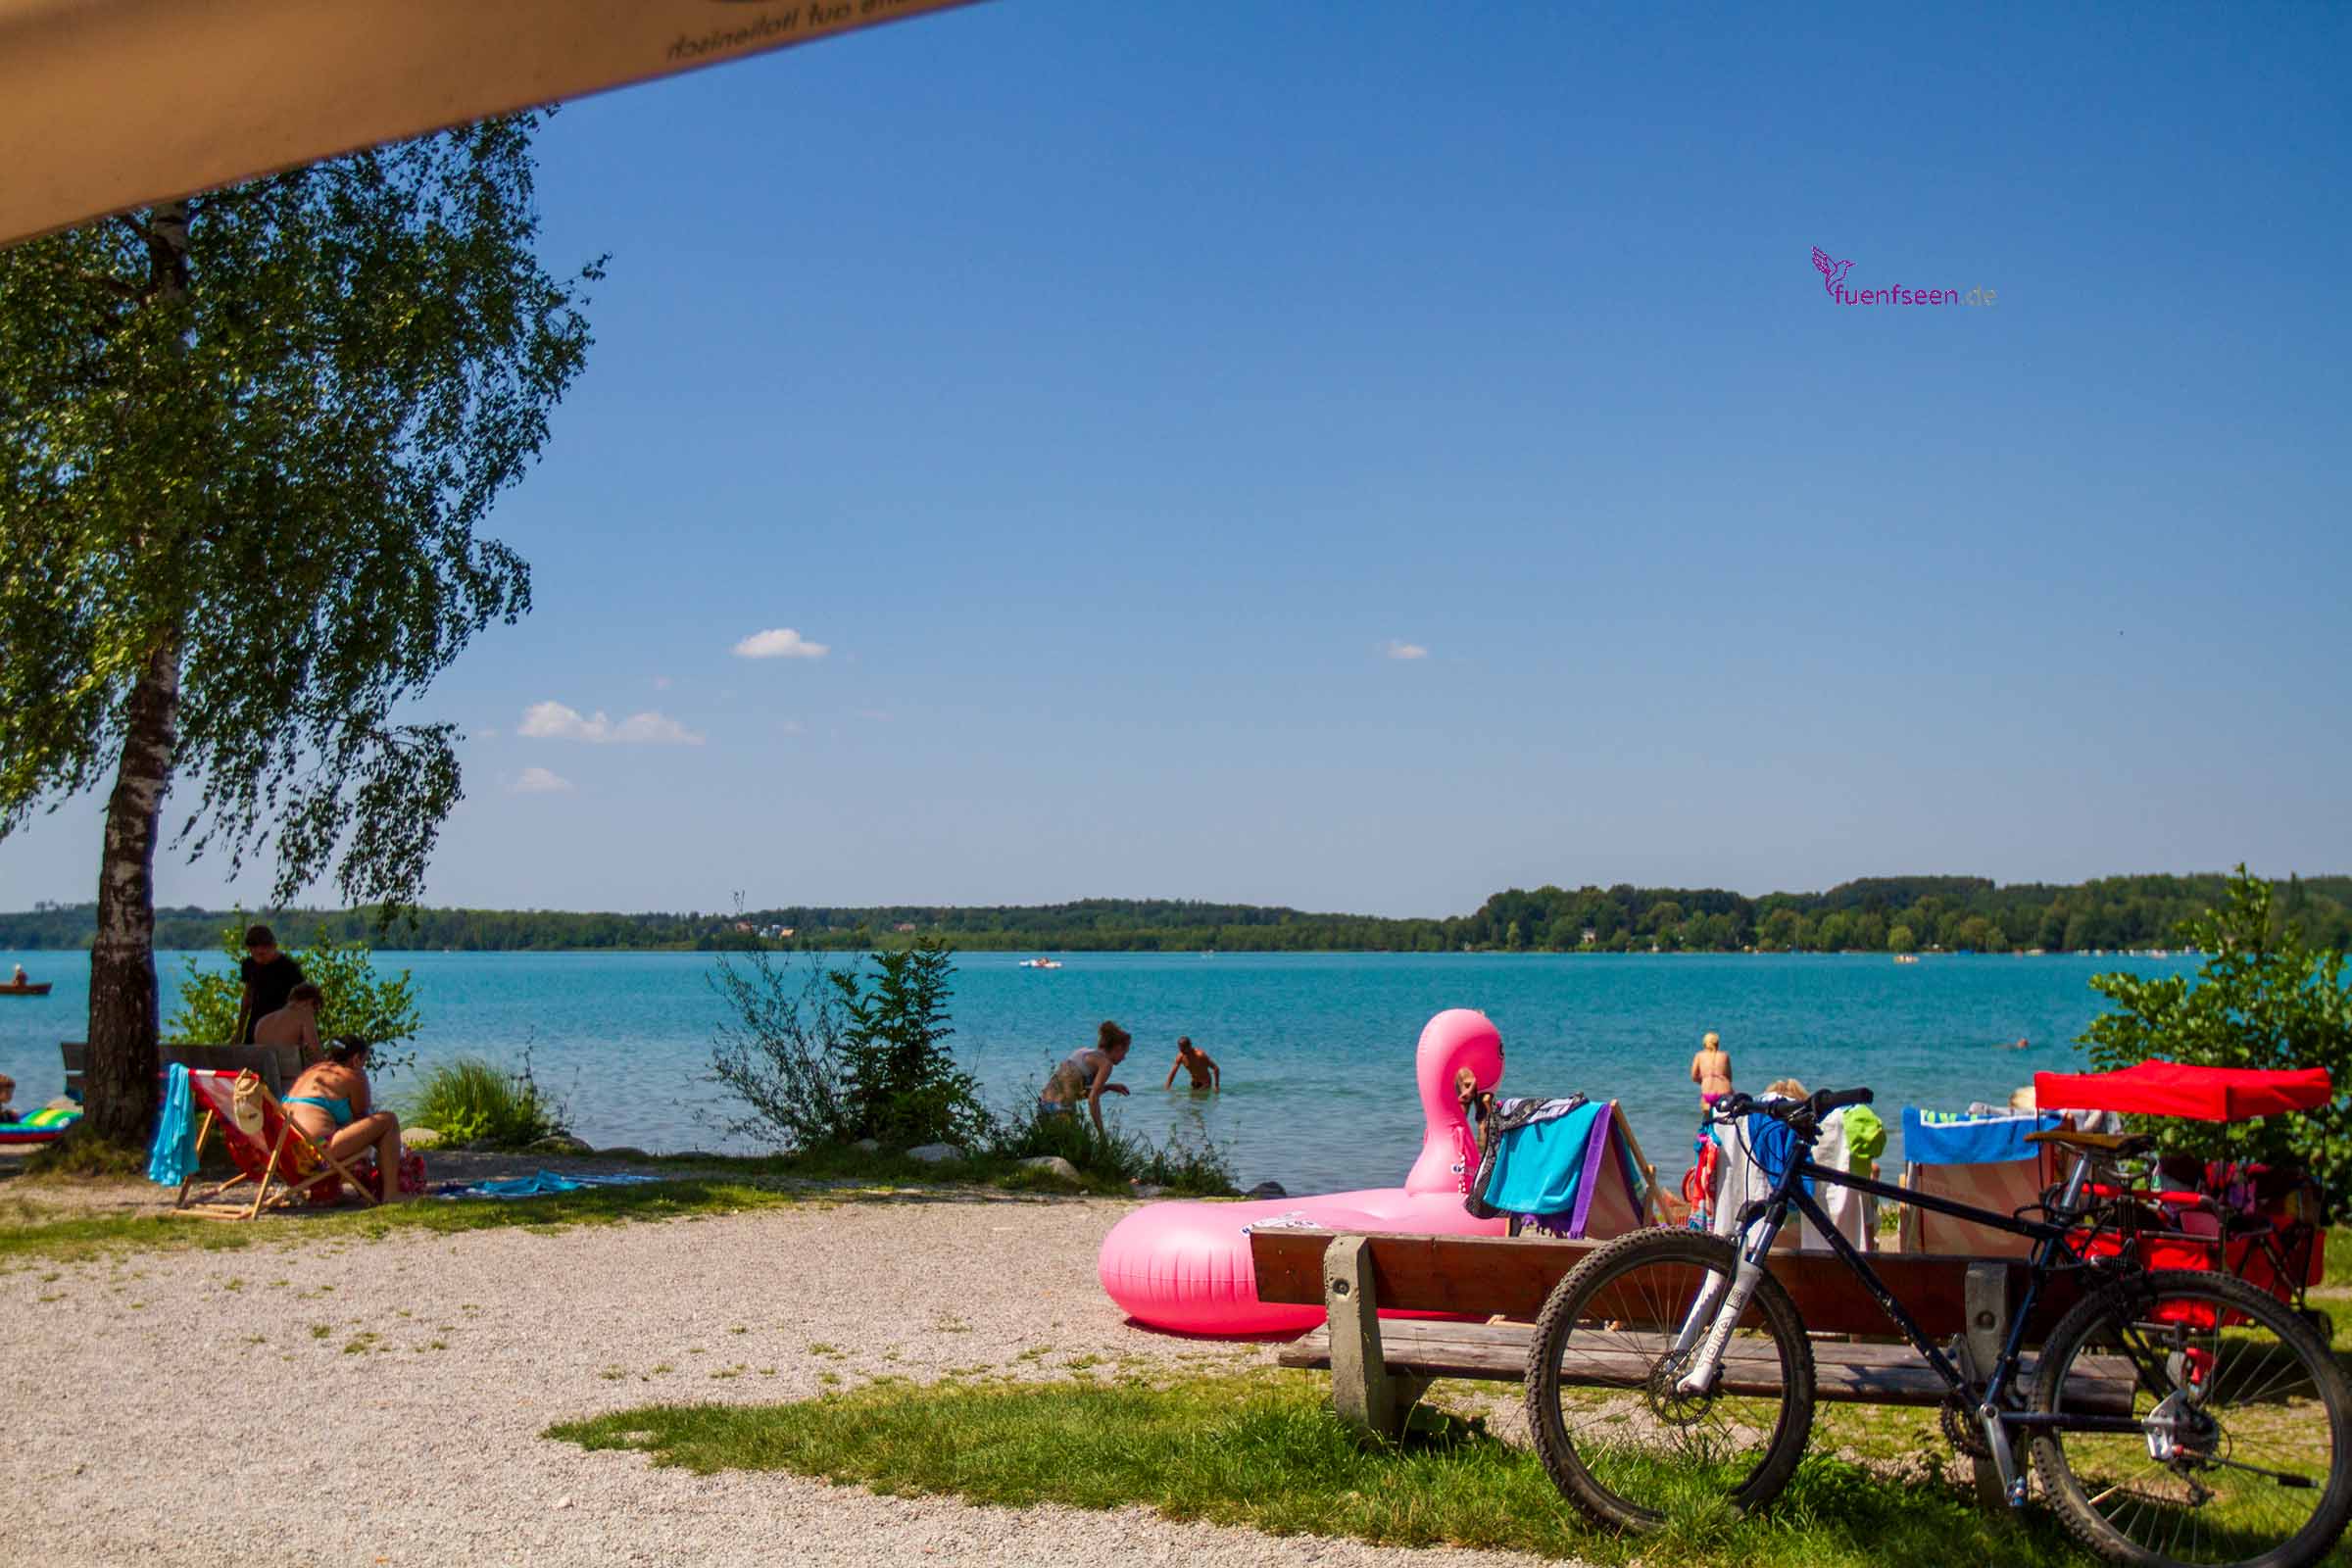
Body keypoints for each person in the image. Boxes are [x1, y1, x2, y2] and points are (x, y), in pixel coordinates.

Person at [282, 1037, 407, 1202]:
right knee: (388, 1121)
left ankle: (332, 1190)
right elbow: (363, 1118)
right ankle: (391, 1194)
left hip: (286, 1151)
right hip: (315, 1151)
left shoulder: (313, 1072)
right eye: (364, 1060)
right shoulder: (352, 1075)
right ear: (356, 1059)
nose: (363, 1066)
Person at [1041, 1020, 1131, 1135]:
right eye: (1125, 1053)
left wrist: (1109, 1087)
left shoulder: (1083, 1052)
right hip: (1062, 1108)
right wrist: (1101, 1134)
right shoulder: (1106, 1064)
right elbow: (1093, 1100)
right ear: (1117, 1048)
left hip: (1045, 1102)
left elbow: (1076, 1091)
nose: (1124, 1058)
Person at [235, 925, 305, 1046]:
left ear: (273, 947)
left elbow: (302, 1003)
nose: (261, 959)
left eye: (263, 954)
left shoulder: (289, 968)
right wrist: (239, 1031)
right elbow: (247, 997)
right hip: (255, 1023)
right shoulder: (249, 965)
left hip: (281, 1025)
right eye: (255, 954)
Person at [253, 982, 325, 1064]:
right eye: (315, 1010)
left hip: (264, 1074)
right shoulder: (305, 1016)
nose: (313, 1014)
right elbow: (317, 1054)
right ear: (309, 1002)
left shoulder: (262, 1021)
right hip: (290, 1074)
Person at [1690, 1031, 1734, 1109]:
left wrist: (1704, 1081)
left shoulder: (1699, 1055)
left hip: (1708, 1094)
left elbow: (1694, 1076)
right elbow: (1729, 1078)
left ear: (1705, 1043)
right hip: (1724, 1092)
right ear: (1717, 1043)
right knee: (1726, 1118)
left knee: (1708, 1119)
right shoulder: (1724, 1055)